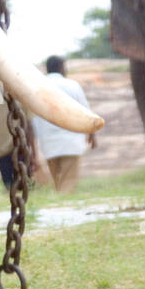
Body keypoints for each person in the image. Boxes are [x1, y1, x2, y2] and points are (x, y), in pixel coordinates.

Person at [31, 57, 96, 193]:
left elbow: (34, 118)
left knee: (58, 181)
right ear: (61, 68)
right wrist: (92, 134)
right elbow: (85, 110)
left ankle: (58, 205)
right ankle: (62, 207)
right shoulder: (72, 85)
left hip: (48, 143)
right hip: (71, 141)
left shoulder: (38, 87)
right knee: (68, 182)